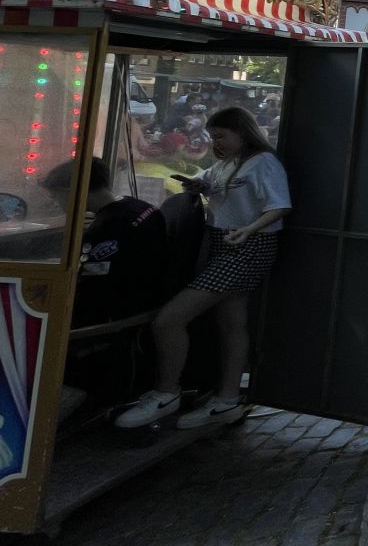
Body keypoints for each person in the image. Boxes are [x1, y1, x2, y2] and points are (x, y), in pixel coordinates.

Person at [115, 107, 292, 430]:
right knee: (231, 323)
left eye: (222, 136)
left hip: (247, 248)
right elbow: (207, 183)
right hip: (226, 244)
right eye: (214, 137)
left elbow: (279, 205)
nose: (217, 143)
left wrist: (249, 229)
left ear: (243, 132)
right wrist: (198, 188)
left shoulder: (263, 163)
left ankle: (167, 392)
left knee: (169, 319)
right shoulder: (225, 165)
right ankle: (226, 399)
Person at [43, 158, 172, 327]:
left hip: (115, 312)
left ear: (72, 190)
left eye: (55, 196)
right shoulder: (139, 207)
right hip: (147, 293)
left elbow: (89, 284)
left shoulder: (108, 228)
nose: (55, 202)